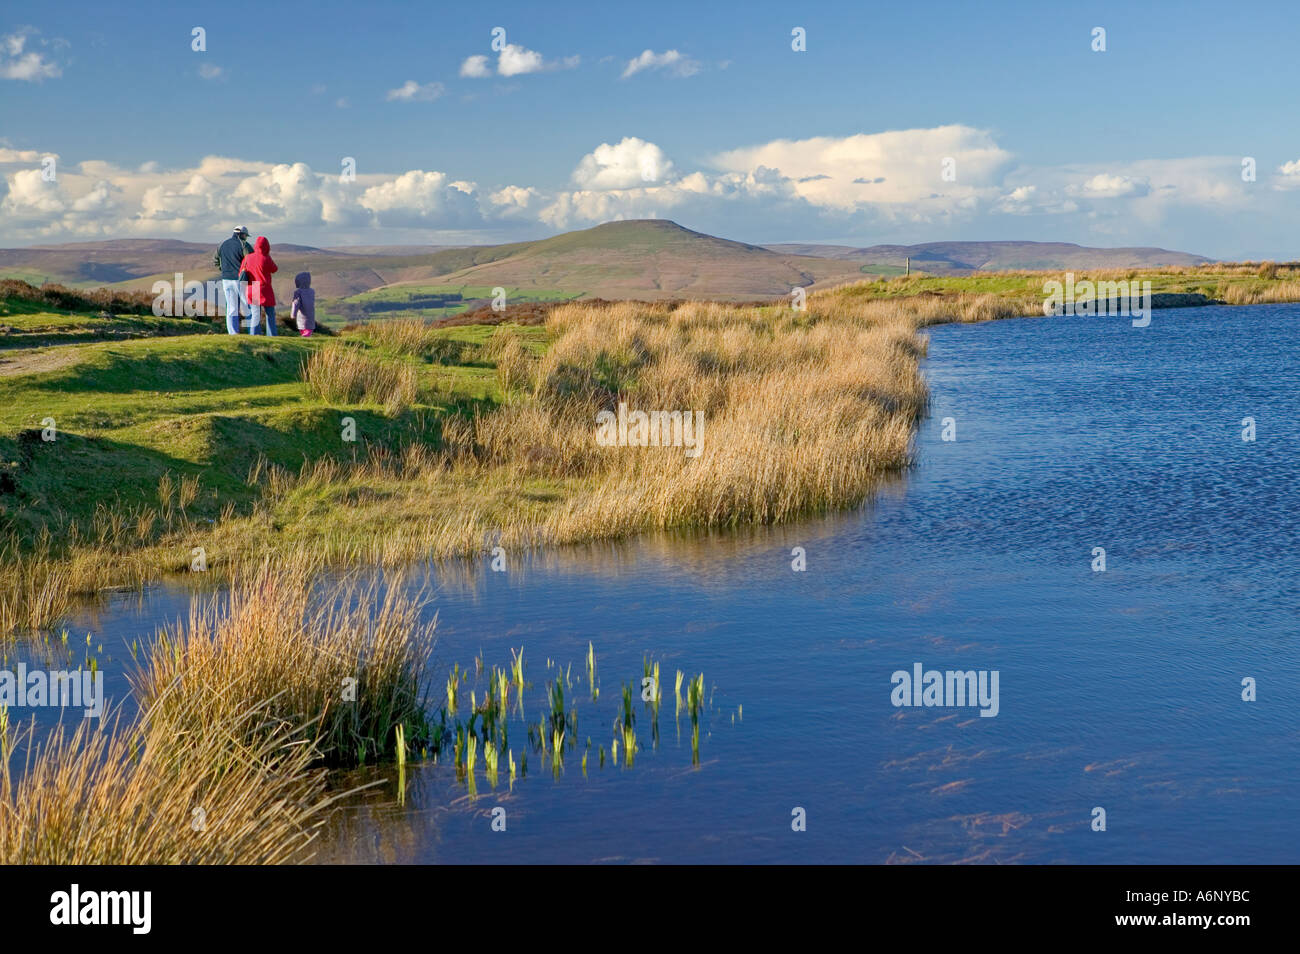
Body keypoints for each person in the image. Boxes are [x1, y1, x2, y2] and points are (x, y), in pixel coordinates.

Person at [212, 227, 253, 334]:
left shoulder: (222, 244)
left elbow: (215, 260)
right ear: (242, 234)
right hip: (240, 280)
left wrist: (223, 269)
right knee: (248, 306)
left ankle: (233, 333)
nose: (246, 238)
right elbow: (251, 260)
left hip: (226, 280)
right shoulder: (244, 245)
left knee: (231, 308)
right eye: (245, 236)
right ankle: (252, 332)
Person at [238, 236, 278, 336]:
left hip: (253, 288)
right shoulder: (266, 258)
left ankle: (254, 334)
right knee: (270, 314)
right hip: (265, 289)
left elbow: (240, 272)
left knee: (255, 314)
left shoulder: (248, 257)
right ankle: (272, 335)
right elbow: (274, 269)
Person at [290, 271, 316, 336]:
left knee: (304, 331)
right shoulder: (312, 291)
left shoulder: (298, 292)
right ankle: (306, 337)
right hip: (311, 317)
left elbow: (296, 303)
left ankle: (305, 338)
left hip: (301, 317)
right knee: (308, 331)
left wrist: (293, 314)